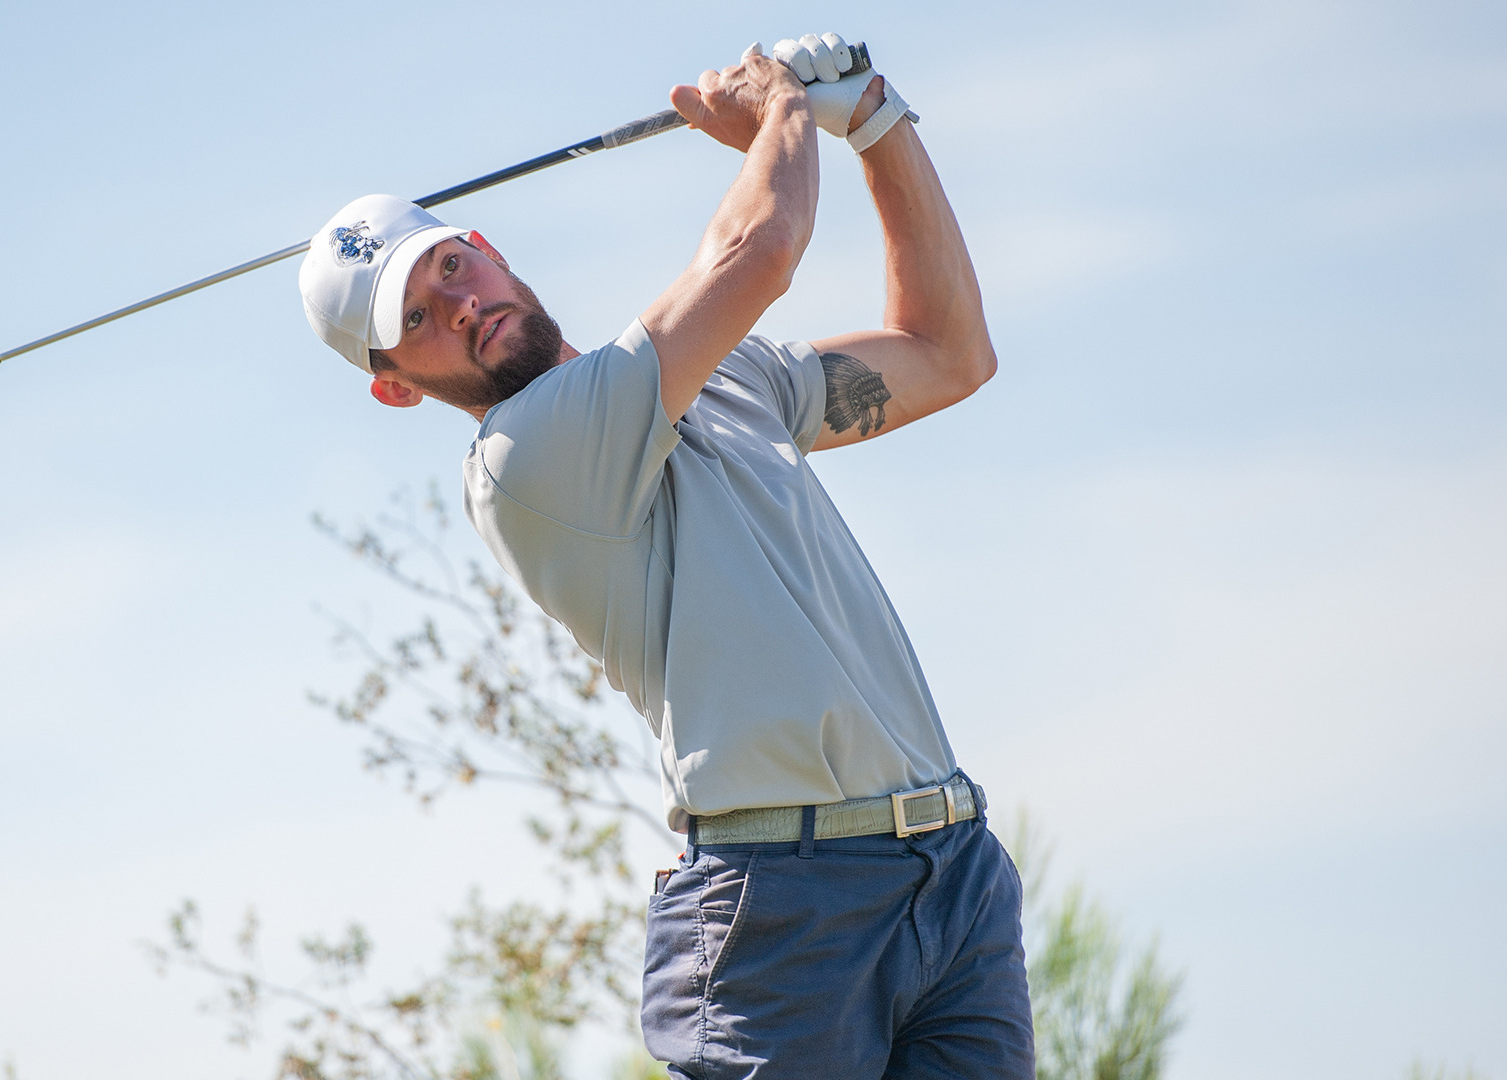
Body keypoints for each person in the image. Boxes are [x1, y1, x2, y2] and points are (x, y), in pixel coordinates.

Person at [297, 32, 1030, 1080]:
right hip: (784, 912)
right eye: (415, 318)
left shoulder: (727, 379)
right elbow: (758, 252)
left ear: (487, 244)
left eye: (450, 266)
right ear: (396, 384)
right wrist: (783, 109)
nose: (458, 304)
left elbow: (950, 353)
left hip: (953, 872)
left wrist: (873, 122)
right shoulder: (523, 460)